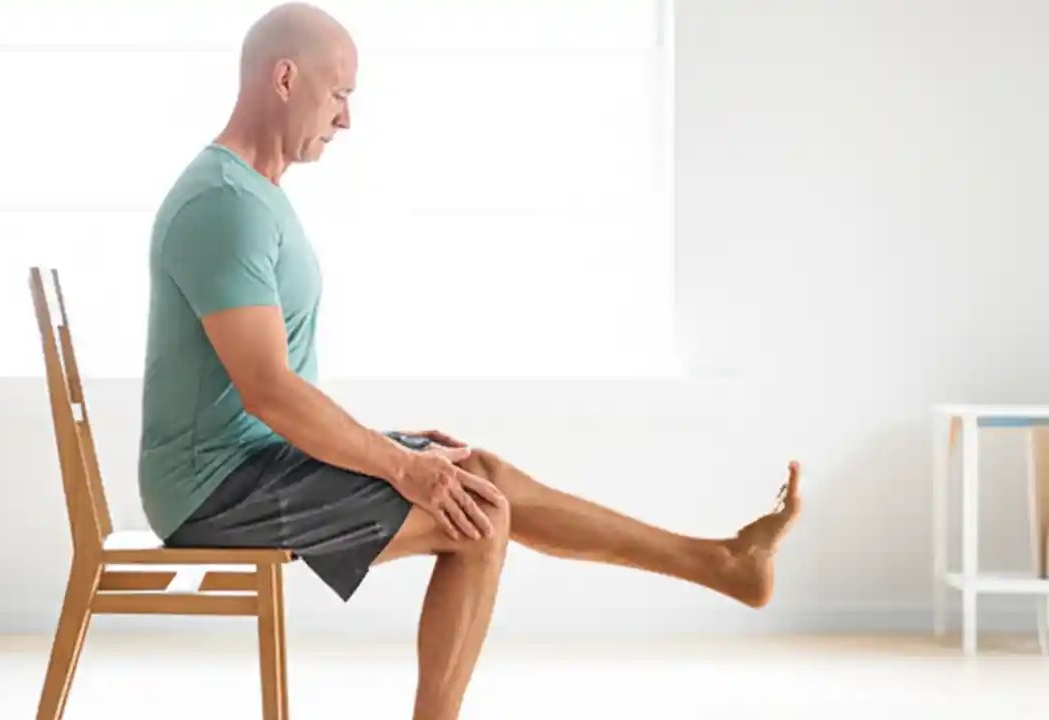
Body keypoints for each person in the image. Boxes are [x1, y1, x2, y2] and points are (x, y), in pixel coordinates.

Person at [139, 4, 802, 718]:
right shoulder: (224, 205)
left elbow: (272, 389)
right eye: (340, 95)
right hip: (214, 490)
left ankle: (720, 563)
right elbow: (268, 389)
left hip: (249, 461)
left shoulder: (254, 197)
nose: (345, 120)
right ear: (286, 77)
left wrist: (399, 449)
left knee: (476, 472)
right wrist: (397, 464)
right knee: (478, 516)